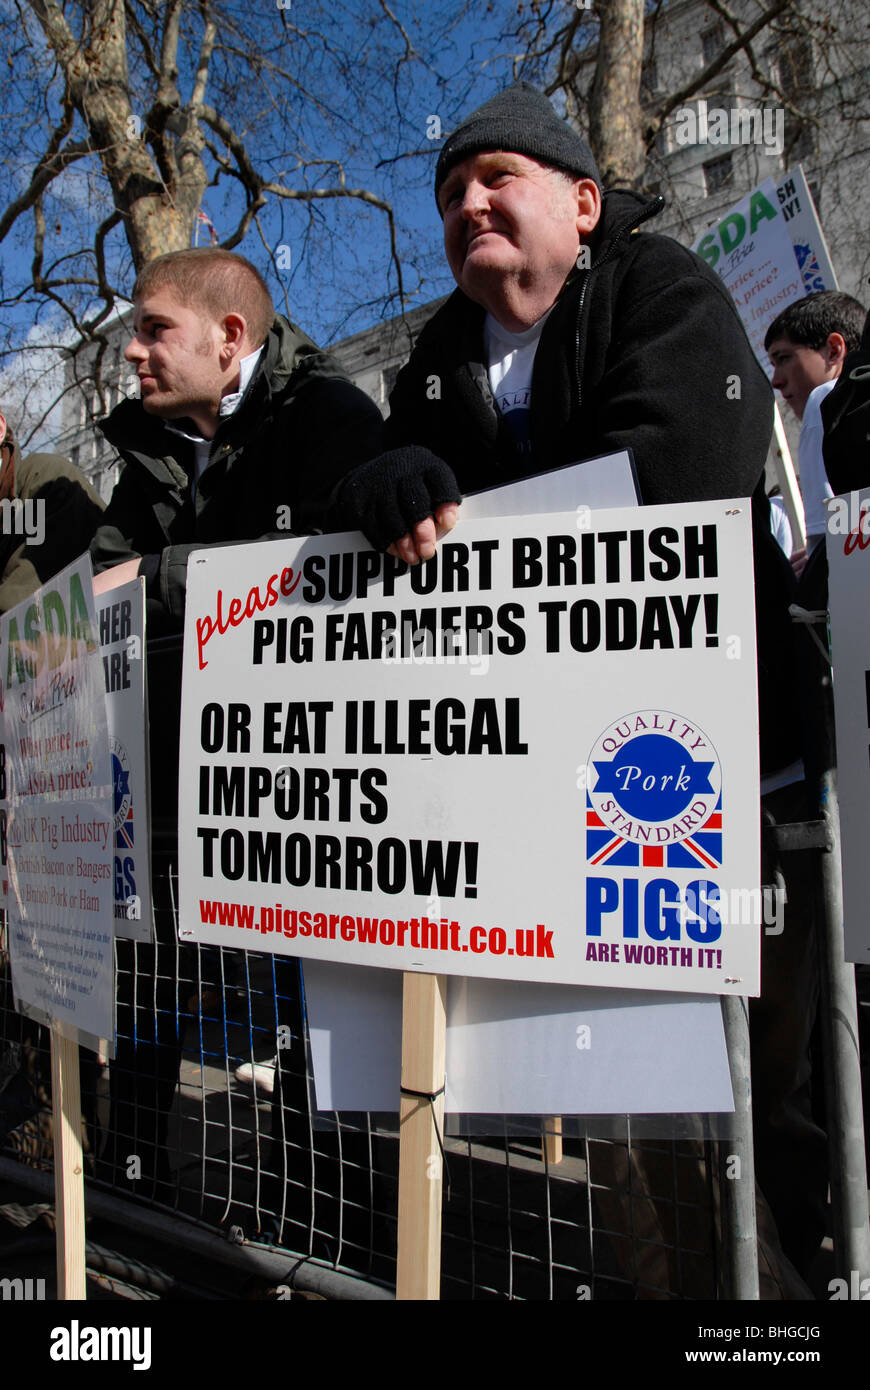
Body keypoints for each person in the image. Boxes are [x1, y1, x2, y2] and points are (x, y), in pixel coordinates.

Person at [335, 81, 825, 1281]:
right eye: (450, 193)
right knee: (629, 1113)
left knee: (768, 1102)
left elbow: (682, 466)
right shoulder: (445, 354)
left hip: (731, 784)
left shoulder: (664, 291)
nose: (468, 204)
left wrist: (474, 530)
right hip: (559, 812)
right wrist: (390, 477)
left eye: (498, 178)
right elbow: (408, 512)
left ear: (586, 205)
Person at [90, 247, 385, 619]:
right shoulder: (149, 444)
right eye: (136, 333)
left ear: (229, 335)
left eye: (156, 330)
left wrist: (153, 576)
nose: (133, 351)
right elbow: (103, 578)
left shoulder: (328, 411)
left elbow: (334, 559)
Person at [765, 291, 867, 561]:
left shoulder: (824, 401)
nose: (775, 380)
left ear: (834, 350)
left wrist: (816, 571)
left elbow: (840, 546)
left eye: (783, 358)